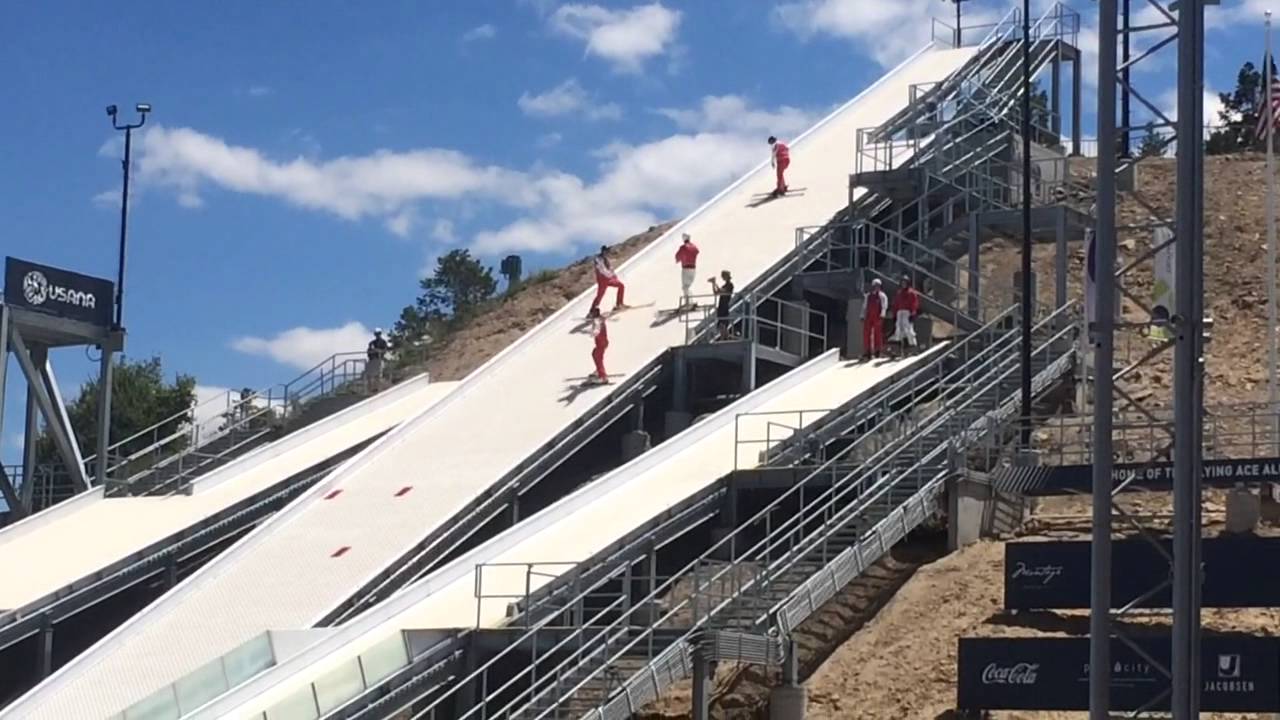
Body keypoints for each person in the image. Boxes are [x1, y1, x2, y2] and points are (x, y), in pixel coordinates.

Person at [890, 274, 921, 355]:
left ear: (908, 283)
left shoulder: (911, 292)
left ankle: (913, 348)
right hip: (900, 313)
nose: (903, 284)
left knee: (909, 330)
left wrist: (913, 313)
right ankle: (899, 349)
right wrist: (894, 315)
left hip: (907, 313)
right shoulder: (899, 293)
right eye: (902, 282)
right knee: (898, 330)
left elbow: (914, 303)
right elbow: (895, 304)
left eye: (905, 282)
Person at [590, 245, 627, 312]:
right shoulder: (598, 259)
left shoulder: (606, 259)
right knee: (600, 295)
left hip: (609, 279)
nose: (607, 253)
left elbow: (610, 268)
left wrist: (614, 276)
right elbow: (602, 270)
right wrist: (610, 275)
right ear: (603, 251)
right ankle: (592, 311)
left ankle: (619, 304)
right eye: (606, 251)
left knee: (621, 286)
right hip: (602, 280)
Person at [863, 279, 888, 360]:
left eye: (878, 286)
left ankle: (878, 351)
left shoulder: (882, 296)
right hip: (869, 316)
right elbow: (864, 307)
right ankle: (868, 351)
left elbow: (884, 306)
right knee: (867, 334)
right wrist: (862, 315)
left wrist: (882, 314)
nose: (876, 287)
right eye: (875, 286)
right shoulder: (868, 296)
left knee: (878, 333)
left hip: (877, 316)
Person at [675, 233, 699, 308]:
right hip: (693, 268)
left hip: (686, 268)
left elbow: (677, 257)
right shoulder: (694, 247)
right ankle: (691, 302)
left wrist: (679, 259)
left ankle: (688, 303)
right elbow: (697, 252)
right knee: (688, 286)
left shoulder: (683, 247)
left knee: (685, 287)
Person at [709, 270, 735, 340]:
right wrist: (713, 284)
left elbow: (722, 291)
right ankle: (724, 338)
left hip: (724, 307)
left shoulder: (730, 285)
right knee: (721, 324)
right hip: (721, 307)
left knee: (723, 324)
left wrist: (715, 283)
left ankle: (724, 338)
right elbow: (716, 292)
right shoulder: (725, 286)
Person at [588, 307, 610, 384]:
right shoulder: (600, 319)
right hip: (604, 342)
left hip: (600, 343)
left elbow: (597, 329)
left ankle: (603, 377)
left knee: (597, 357)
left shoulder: (596, 321)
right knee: (595, 354)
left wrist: (593, 333)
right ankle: (598, 370)